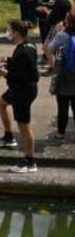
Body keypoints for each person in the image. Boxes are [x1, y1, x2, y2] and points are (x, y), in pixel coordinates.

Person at [0, 20, 39, 173]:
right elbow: (22, 64)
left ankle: (30, 161)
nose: (8, 32)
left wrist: (7, 74)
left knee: (24, 125)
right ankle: (8, 137)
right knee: (1, 102)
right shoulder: (26, 46)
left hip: (23, 92)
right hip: (17, 89)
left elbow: (33, 76)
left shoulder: (25, 51)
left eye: (9, 30)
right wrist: (8, 60)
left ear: (16, 32)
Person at [45, 13, 75, 142]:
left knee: (62, 106)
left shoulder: (62, 36)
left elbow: (48, 49)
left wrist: (54, 67)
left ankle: (61, 134)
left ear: (67, 22)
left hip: (64, 76)